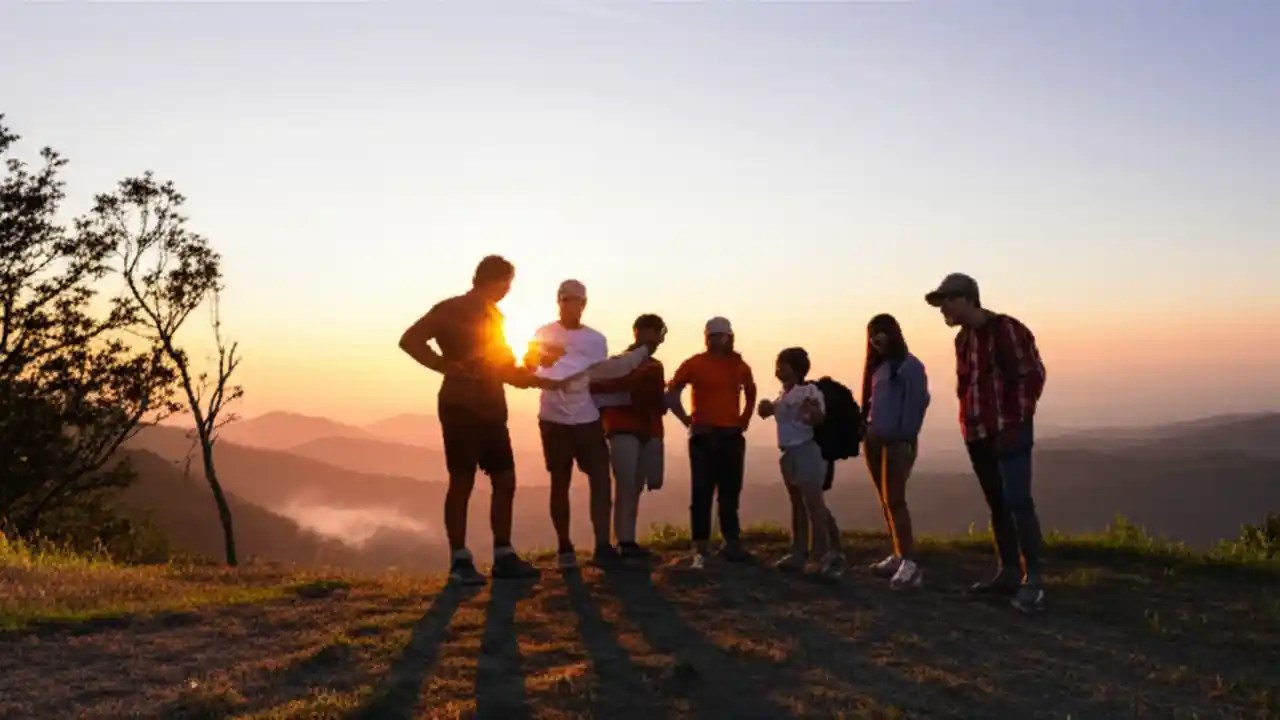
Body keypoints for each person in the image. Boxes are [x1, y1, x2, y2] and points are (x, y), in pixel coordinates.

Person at [397, 255, 560, 586]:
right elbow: (410, 340)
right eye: (507, 283)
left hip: (490, 407)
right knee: (463, 480)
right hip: (461, 406)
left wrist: (536, 371)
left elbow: (502, 367)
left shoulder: (493, 316)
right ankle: (460, 560)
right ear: (496, 279)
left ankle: (502, 555)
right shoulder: (452, 308)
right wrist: (446, 365)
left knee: (503, 478)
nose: (508, 291)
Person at [926, 273, 1047, 613]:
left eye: (947, 301)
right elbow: (968, 386)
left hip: (1008, 431)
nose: (943, 310)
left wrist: (1014, 421)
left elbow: (1031, 375)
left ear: (967, 298)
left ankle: (1033, 579)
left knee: (1018, 502)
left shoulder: (1005, 329)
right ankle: (1008, 572)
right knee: (998, 504)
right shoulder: (962, 340)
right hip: (977, 433)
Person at [525, 280, 654, 569]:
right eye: (567, 300)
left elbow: (599, 374)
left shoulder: (596, 340)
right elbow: (531, 367)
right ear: (559, 301)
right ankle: (564, 548)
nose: (573, 305)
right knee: (560, 481)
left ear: (585, 303)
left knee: (600, 479)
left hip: (587, 417)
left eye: (578, 301)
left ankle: (601, 546)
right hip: (553, 419)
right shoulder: (543, 333)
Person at [667, 317, 757, 569]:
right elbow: (672, 393)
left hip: (730, 434)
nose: (717, 340)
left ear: (729, 337)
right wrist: (688, 420)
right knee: (702, 491)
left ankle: (731, 542)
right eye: (713, 336)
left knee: (730, 490)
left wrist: (744, 419)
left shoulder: (739, 365)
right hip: (704, 435)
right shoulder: (695, 364)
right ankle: (701, 545)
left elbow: (751, 390)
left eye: (721, 336)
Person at [588, 314, 669, 560]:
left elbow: (652, 398)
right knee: (627, 484)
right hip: (622, 426)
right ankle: (624, 540)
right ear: (638, 332)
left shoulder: (651, 365)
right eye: (650, 331)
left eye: (657, 332)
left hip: (641, 427)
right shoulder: (620, 363)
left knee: (634, 485)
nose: (654, 337)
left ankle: (626, 539)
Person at [758, 348, 843, 581]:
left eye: (783, 364)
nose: (779, 368)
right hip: (789, 452)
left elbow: (818, 417)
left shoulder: (808, 391)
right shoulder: (784, 396)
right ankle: (800, 550)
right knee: (798, 503)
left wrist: (812, 411)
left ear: (796, 368)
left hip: (807, 450)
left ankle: (821, 553)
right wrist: (767, 408)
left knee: (813, 504)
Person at [860, 314, 931, 590]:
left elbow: (918, 402)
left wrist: (904, 437)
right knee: (886, 500)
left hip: (897, 443)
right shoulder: (879, 367)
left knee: (896, 500)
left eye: (881, 332)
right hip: (874, 440)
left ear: (893, 333)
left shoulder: (910, 367)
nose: (876, 338)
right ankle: (899, 554)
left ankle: (910, 565)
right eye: (872, 334)